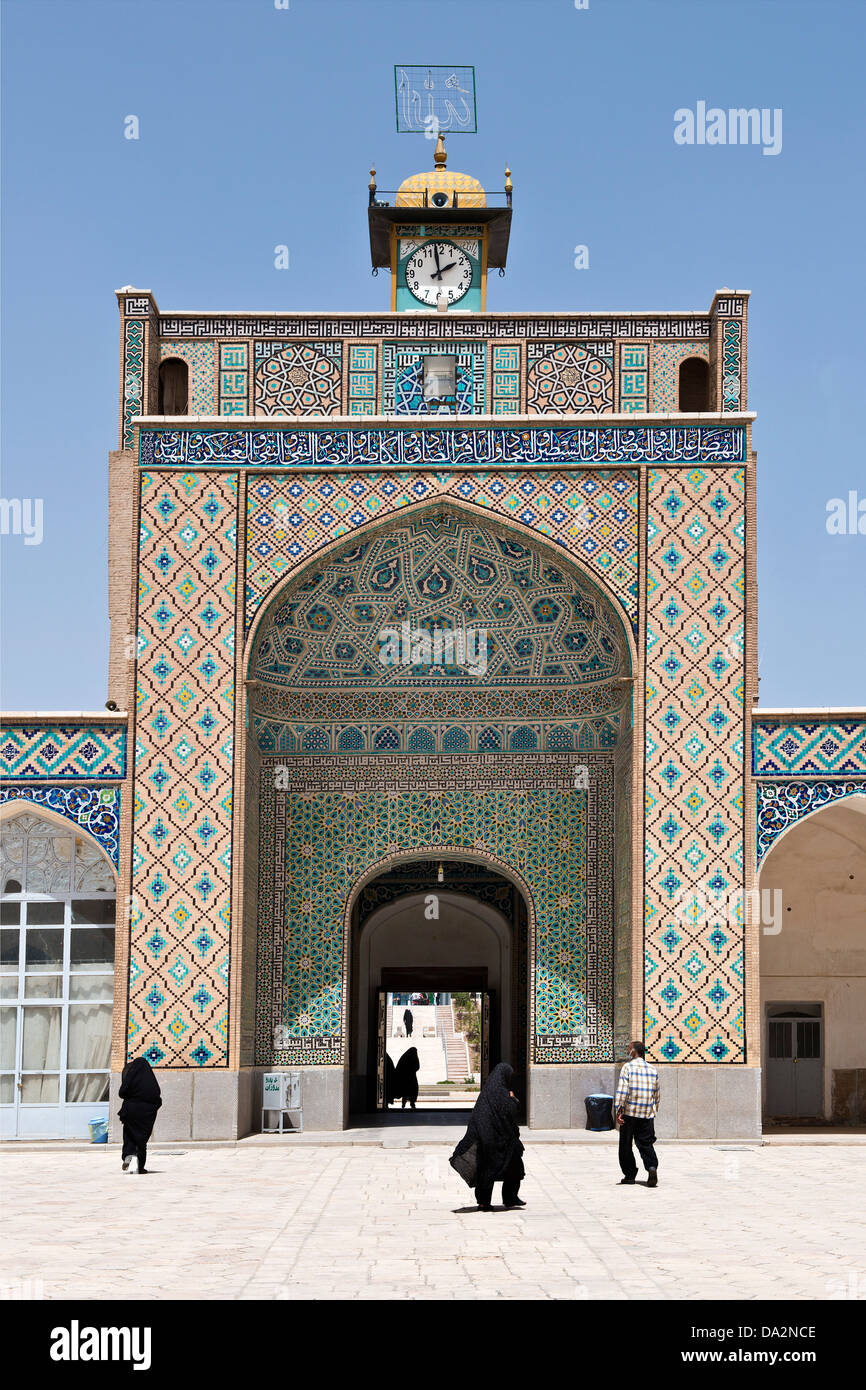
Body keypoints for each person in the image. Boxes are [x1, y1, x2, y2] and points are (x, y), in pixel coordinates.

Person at [450, 1062, 525, 1210]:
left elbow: (477, 1118)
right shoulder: (503, 1093)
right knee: (513, 1168)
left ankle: (486, 1202)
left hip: (487, 1139)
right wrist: (513, 1099)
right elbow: (512, 1111)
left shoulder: (486, 1094)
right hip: (501, 1141)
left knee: (487, 1170)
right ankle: (509, 1198)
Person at [615, 1040, 660, 1187]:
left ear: (633, 1052)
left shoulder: (627, 1067)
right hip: (646, 1113)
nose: (628, 1051)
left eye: (629, 1049)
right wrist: (654, 1110)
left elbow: (622, 1091)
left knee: (626, 1144)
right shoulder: (652, 1069)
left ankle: (629, 1175)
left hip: (630, 1112)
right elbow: (657, 1093)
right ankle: (651, 1167)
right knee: (646, 1143)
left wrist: (619, 1111)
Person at [118, 1056, 162, 1174]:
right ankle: (140, 1167)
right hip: (146, 1116)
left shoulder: (131, 1078)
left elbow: (122, 1093)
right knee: (142, 1140)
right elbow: (157, 1099)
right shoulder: (151, 1082)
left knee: (129, 1135)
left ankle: (127, 1155)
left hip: (131, 1112)